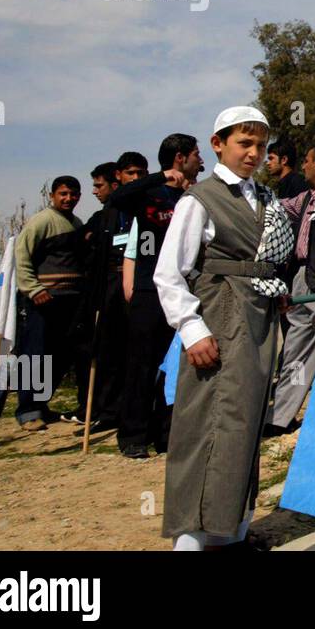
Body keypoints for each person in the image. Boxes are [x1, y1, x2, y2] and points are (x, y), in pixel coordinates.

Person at [155, 106, 294, 550]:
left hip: (257, 318)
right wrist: (191, 328)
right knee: (206, 423)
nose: (254, 153)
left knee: (244, 422)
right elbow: (168, 272)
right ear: (218, 144)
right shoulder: (200, 200)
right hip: (219, 316)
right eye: (244, 143)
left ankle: (230, 529)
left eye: (261, 145)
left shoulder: (264, 198)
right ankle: (191, 539)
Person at [110, 133, 202, 458]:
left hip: (185, 292)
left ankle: (166, 434)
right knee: (141, 365)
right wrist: (160, 176)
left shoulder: (198, 197)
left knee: (174, 368)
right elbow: (118, 198)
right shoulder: (149, 193)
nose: (201, 161)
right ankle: (133, 436)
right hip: (149, 290)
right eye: (195, 154)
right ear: (179, 158)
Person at [76, 153, 147, 430]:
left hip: (140, 283)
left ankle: (136, 411)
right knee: (107, 349)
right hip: (108, 287)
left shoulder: (148, 206)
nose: (136, 179)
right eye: (130, 173)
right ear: (119, 176)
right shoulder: (108, 213)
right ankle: (106, 411)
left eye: (141, 173)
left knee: (137, 349)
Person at [267, 144, 315, 436]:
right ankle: (281, 417)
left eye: (306, 161)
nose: (302, 166)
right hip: (302, 277)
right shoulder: (305, 199)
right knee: (295, 349)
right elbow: (279, 206)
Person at [13, 176, 85, 431]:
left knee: (60, 357)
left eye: (74, 194)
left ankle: (41, 405)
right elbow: (21, 255)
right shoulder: (41, 221)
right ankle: (27, 411)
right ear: (53, 195)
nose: (69, 198)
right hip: (43, 300)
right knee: (34, 354)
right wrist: (33, 289)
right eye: (63, 194)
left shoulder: (76, 224)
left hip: (70, 301)